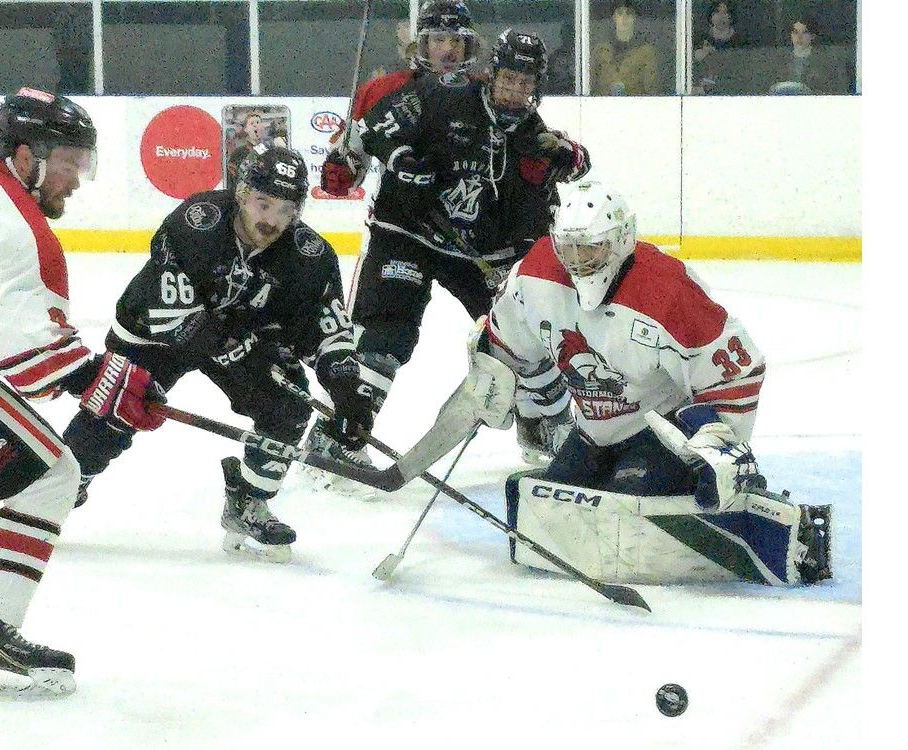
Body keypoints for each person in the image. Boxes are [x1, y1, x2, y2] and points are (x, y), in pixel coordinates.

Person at [473, 181, 830, 585]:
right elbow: (505, 339)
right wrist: (495, 377)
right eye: (568, 248)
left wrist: (721, 452)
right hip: (594, 432)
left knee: (626, 500)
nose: (578, 261)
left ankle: (732, 498)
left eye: (590, 248)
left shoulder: (667, 291)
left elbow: (738, 372)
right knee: (543, 502)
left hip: (662, 432)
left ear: (622, 240)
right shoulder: (535, 276)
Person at [62, 143, 374, 563]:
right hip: (156, 328)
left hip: (241, 339)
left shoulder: (309, 257)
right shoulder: (197, 222)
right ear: (243, 193)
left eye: (286, 209)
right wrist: (231, 349)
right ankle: (64, 483)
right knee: (121, 398)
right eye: (264, 203)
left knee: (287, 406)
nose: (272, 219)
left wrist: (346, 387)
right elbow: (171, 308)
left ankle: (248, 501)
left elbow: (325, 327)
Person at [0, 88, 165, 698]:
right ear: (27, 157)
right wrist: (107, 380)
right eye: (70, 161)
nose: (76, 180)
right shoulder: (27, 235)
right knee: (53, 476)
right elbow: (25, 357)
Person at [307, 29, 591, 475]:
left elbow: (537, 213)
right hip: (408, 235)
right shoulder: (447, 93)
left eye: (526, 83)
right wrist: (396, 155)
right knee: (384, 339)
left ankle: (541, 425)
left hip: (472, 254)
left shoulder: (533, 138)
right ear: (492, 73)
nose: (515, 91)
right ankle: (339, 436)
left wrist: (516, 267)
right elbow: (371, 129)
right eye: (508, 79)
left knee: (530, 336)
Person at [321, 0, 481, 201]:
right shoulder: (383, 91)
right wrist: (343, 167)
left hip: (469, 220)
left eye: (457, 40)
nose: (449, 49)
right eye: (439, 39)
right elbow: (349, 166)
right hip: (398, 221)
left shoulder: (485, 95)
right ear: (423, 45)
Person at [767, 18, 851, 95]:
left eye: (804, 32)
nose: (799, 37)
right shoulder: (780, 61)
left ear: (812, 36)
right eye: (795, 32)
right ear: (791, 35)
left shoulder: (824, 62)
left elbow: (834, 90)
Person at [590, 1, 658, 95]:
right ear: (614, 17)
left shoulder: (646, 52)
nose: (624, 18)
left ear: (634, 18)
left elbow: (652, 89)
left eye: (629, 14)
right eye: (620, 13)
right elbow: (591, 86)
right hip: (603, 106)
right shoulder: (600, 51)